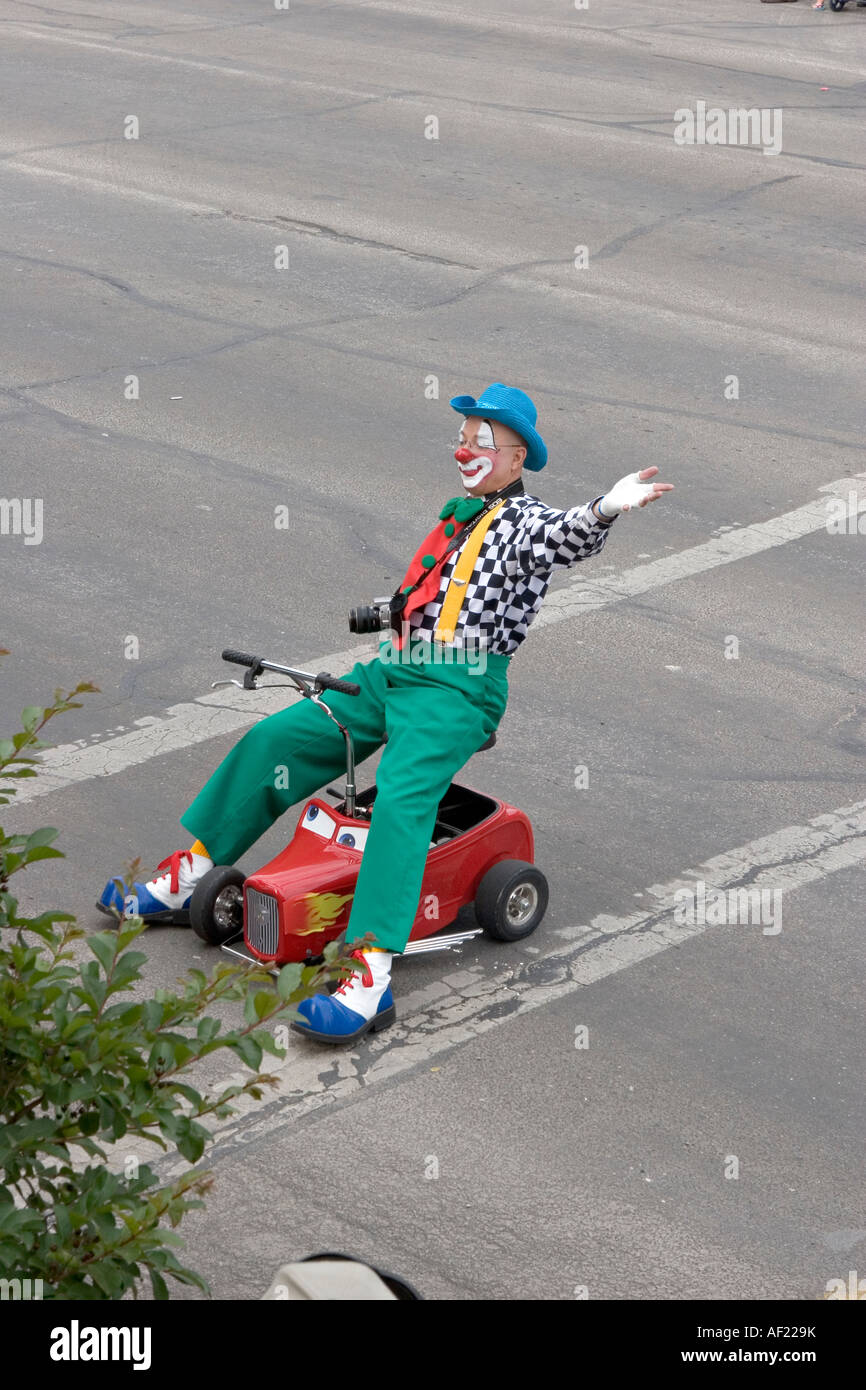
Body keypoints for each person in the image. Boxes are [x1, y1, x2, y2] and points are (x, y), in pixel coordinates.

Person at [98, 384, 674, 1044]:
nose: (465, 448)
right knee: (277, 739)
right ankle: (191, 874)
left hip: (456, 690)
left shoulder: (522, 523)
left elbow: (564, 538)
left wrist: (605, 508)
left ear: (518, 458)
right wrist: (391, 610)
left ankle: (369, 974)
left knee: (402, 800)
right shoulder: (460, 517)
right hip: (392, 671)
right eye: (462, 435)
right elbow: (433, 594)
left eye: (481, 440)